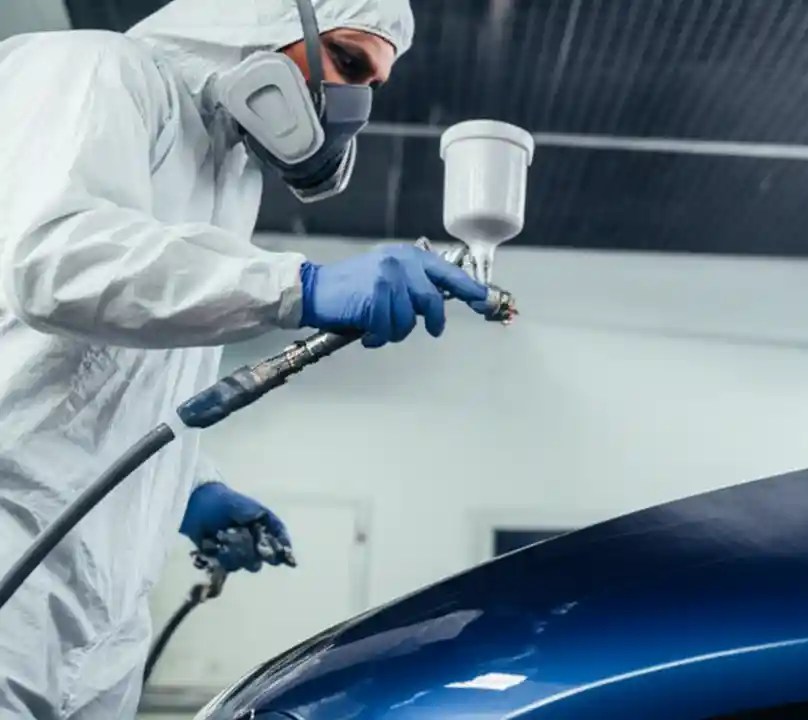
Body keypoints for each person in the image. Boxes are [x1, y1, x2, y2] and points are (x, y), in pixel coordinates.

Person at [0, 0, 489, 716]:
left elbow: (123, 374)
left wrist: (189, 487)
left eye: (372, 87)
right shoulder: (97, 69)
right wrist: (298, 283)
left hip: (101, 608)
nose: (350, 103)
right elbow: (54, 263)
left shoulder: (229, 175)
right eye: (348, 63)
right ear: (267, 20)